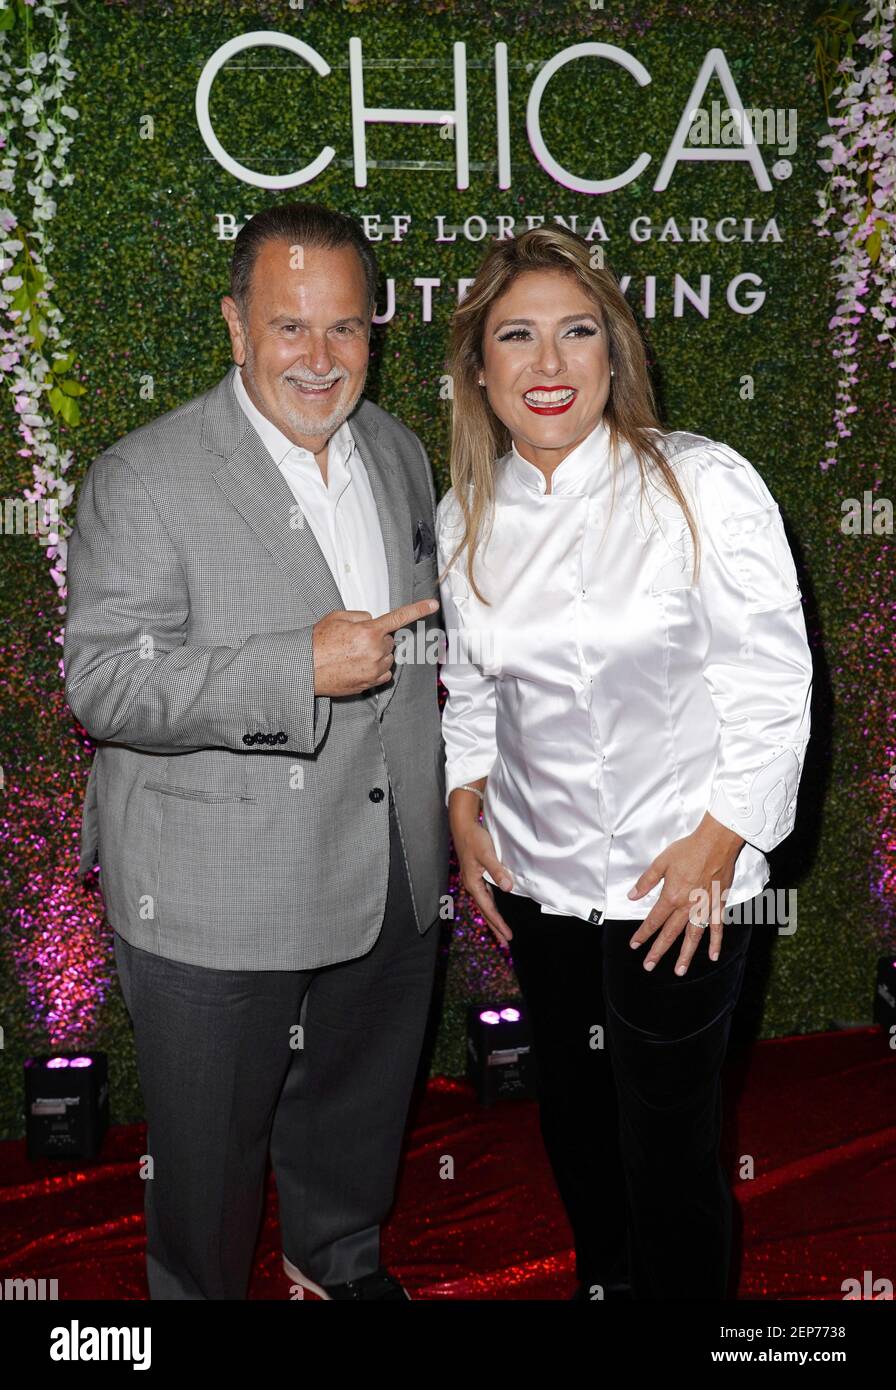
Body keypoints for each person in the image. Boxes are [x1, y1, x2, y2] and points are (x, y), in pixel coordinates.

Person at [64, 201, 448, 1300]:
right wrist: (294, 667)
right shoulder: (144, 475)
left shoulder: (398, 449)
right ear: (237, 327)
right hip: (213, 887)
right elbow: (103, 679)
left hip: (388, 865)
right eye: (291, 328)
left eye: (346, 329)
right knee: (208, 1152)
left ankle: (333, 1259)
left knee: (356, 1105)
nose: (320, 359)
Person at [436, 225, 812, 1301]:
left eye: (574, 333)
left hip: (681, 881)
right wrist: (464, 802)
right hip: (541, 880)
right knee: (577, 1128)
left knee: (668, 1151)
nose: (547, 365)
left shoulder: (698, 483)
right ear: (479, 366)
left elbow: (769, 679)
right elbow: (474, 691)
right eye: (516, 336)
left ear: (613, 353)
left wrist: (715, 841)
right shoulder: (463, 514)